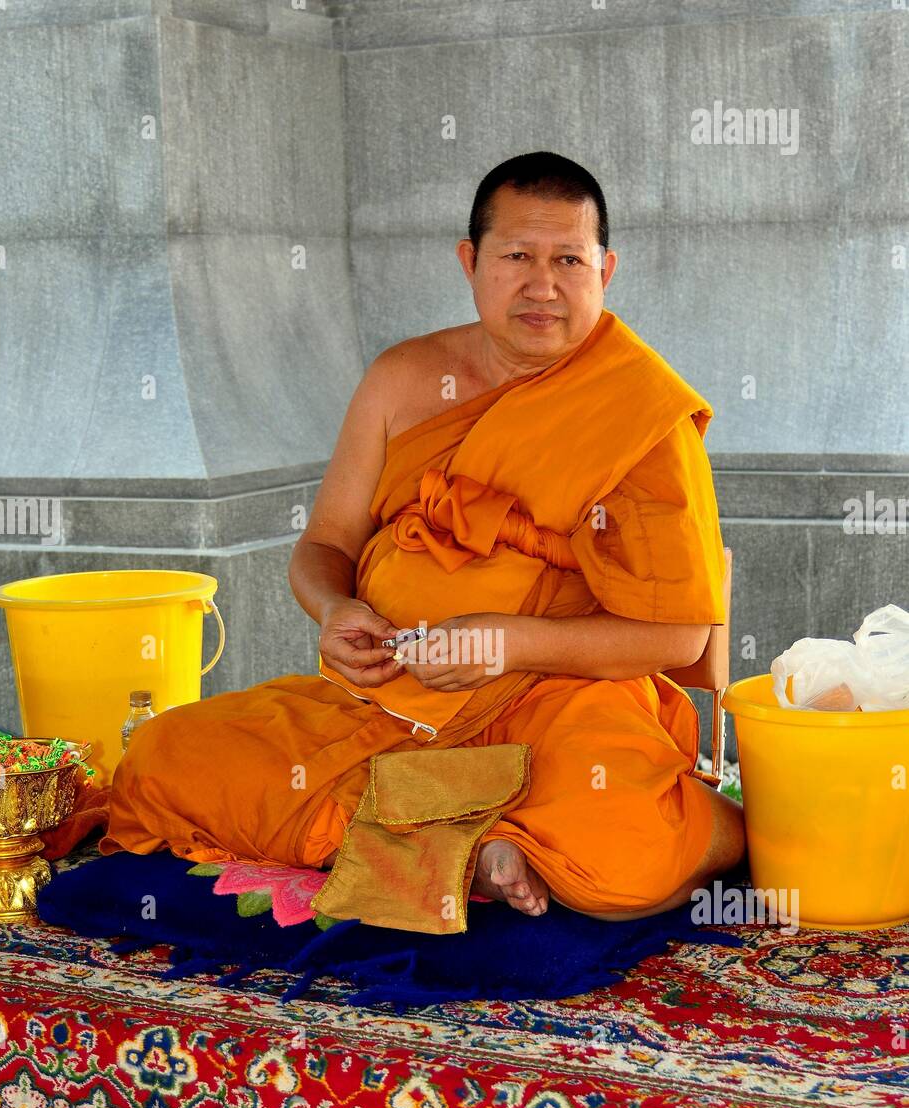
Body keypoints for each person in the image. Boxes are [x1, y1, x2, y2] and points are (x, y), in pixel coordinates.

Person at [101, 150, 746, 925]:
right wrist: (334, 610)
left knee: (625, 843)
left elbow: (676, 635)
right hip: (379, 705)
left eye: (568, 259)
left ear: (605, 269)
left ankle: (436, 836)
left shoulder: (639, 412)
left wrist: (506, 644)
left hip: (558, 705)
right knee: (162, 755)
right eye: (516, 256)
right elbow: (325, 544)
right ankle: (474, 847)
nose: (543, 284)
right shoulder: (405, 379)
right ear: (471, 262)